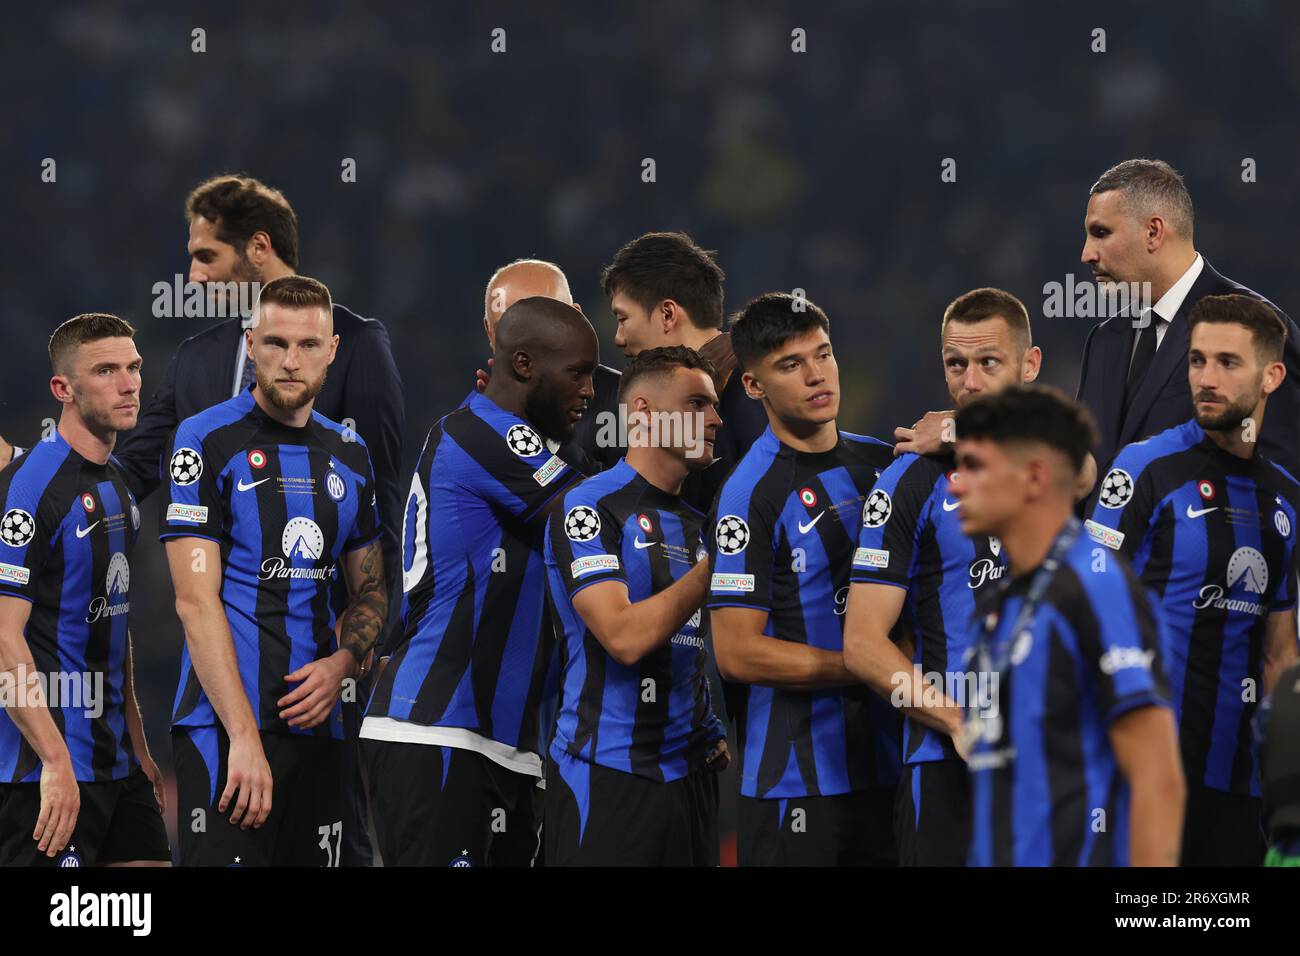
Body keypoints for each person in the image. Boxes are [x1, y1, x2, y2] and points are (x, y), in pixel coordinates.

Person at [361, 297, 597, 867]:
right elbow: (593, 513)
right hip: (440, 732)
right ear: (522, 366)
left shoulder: (521, 446)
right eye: (579, 374)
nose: (590, 392)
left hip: (509, 746)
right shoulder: (480, 433)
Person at [161, 276, 387, 867]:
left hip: (324, 731)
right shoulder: (204, 439)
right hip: (225, 732)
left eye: (308, 346)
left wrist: (343, 662)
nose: (290, 362)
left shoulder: (351, 454)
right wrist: (243, 737)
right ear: (250, 342)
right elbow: (194, 601)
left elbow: (371, 589)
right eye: (275, 343)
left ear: (333, 350)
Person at [1085, 294, 1300, 866]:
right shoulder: (1144, 468)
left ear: (1271, 375)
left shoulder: (1286, 501)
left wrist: (1284, 774)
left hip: (1240, 788)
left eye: (1228, 363)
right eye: (1197, 360)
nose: (1206, 378)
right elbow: (1082, 607)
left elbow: (1280, 655)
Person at [843, 288, 1041, 865]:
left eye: (989, 363)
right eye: (957, 364)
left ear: (1029, 366)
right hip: (948, 764)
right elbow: (862, 645)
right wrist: (959, 720)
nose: (971, 383)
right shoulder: (909, 481)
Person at [952, 385, 1185, 866]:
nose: (956, 484)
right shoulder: (999, 604)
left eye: (974, 466)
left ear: (1034, 477)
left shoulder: (1095, 587)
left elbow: (1157, 778)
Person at [707, 292, 900, 866]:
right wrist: (868, 664)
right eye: (790, 365)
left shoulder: (885, 466)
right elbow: (737, 654)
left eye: (823, 354)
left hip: (891, 768)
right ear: (753, 386)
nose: (817, 375)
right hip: (794, 785)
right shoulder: (748, 496)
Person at [543, 346, 729, 865]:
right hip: (605, 779)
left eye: (714, 405)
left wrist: (707, 723)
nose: (715, 419)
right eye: (697, 403)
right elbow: (623, 637)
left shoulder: (698, 525)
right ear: (643, 413)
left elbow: (689, 642)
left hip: (691, 784)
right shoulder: (590, 507)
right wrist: (713, 571)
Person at [0, 313, 169, 867]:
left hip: (118, 765)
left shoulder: (119, 484)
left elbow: (111, 626)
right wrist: (53, 760)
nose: (128, 384)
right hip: (43, 775)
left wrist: (139, 745)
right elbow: (4, 638)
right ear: (62, 389)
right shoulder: (32, 489)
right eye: (105, 371)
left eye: (134, 367)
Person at [1075, 158, 1300, 483]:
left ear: (1153, 232)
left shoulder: (1256, 327)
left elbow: (1284, 479)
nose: (1087, 254)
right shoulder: (1105, 338)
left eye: (1101, 233)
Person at [602, 231, 769, 513]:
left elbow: (775, 505)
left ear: (667, 314)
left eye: (623, 318)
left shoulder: (750, 385)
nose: (618, 338)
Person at [480, 259, 623, 472]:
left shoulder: (630, 408)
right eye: (505, 330)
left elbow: (646, 502)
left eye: (538, 325)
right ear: (489, 334)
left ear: (577, 319)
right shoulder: (465, 435)